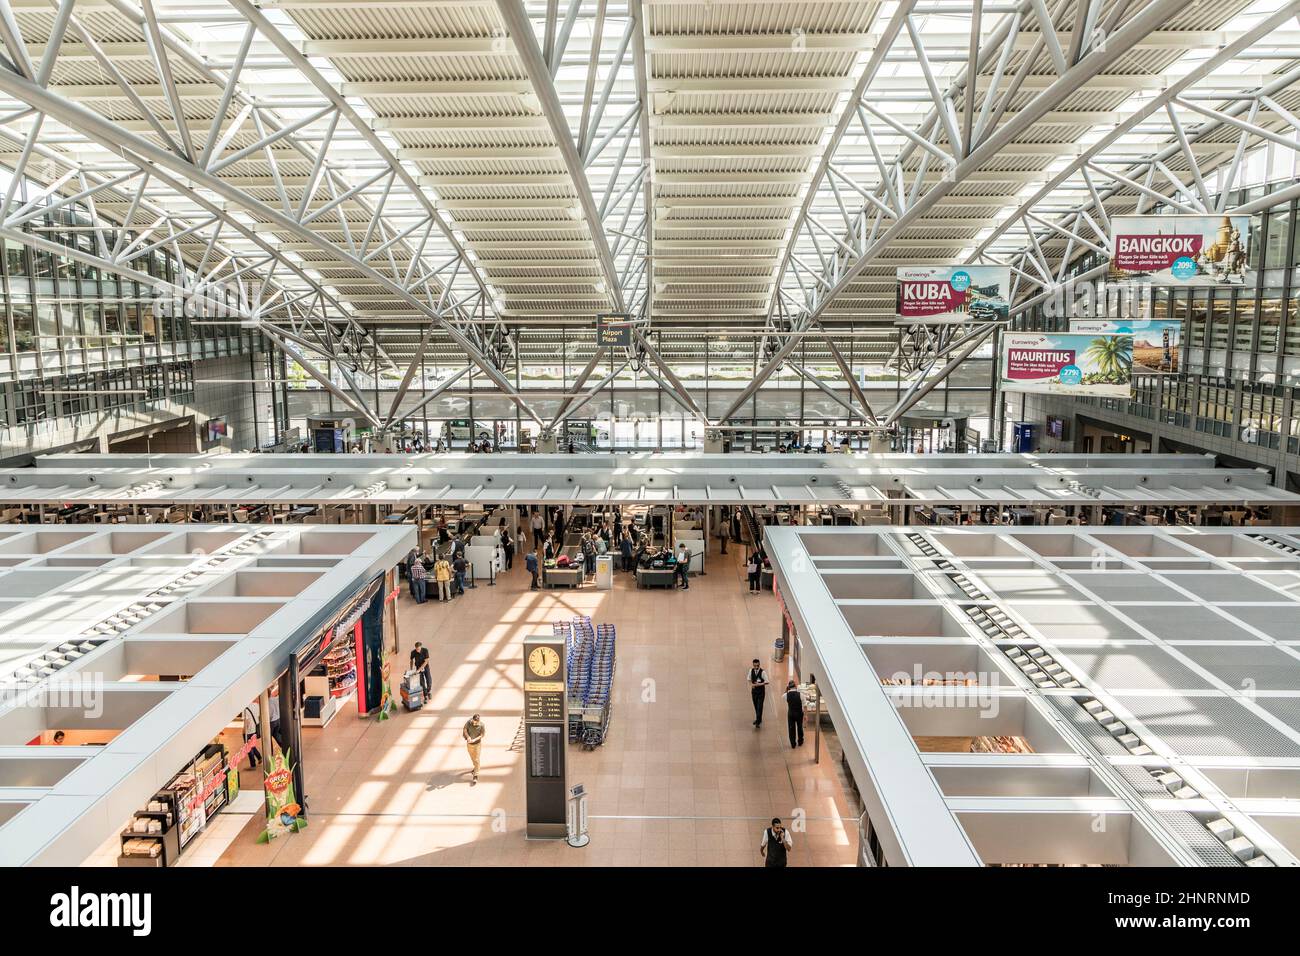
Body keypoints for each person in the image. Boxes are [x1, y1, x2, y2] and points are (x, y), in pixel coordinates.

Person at [463, 714, 485, 784]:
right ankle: (475, 767)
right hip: (469, 744)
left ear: (479, 721)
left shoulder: (481, 725)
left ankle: (476, 775)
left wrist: (475, 739)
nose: (474, 724)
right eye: (473, 722)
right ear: (472, 719)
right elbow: (465, 729)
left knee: (476, 759)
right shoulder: (469, 722)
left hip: (477, 744)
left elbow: (482, 735)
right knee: (472, 757)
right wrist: (468, 737)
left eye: (476, 723)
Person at [748, 658, 768, 728]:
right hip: (754, 692)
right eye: (755, 666)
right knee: (756, 706)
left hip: (761, 692)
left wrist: (759, 684)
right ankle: (759, 718)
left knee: (760, 707)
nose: (756, 667)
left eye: (757, 666)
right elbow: (749, 679)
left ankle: (758, 721)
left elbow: (767, 682)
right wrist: (752, 684)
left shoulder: (763, 672)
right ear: (753, 665)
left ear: (759, 665)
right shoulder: (751, 671)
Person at [785, 679, 805, 748]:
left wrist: (786, 690)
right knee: (800, 727)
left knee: (791, 728)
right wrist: (806, 715)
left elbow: (784, 696)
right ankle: (800, 741)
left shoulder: (786, 695)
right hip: (799, 713)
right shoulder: (801, 695)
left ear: (789, 687)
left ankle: (793, 743)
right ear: (796, 686)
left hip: (791, 714)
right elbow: (804, 706)